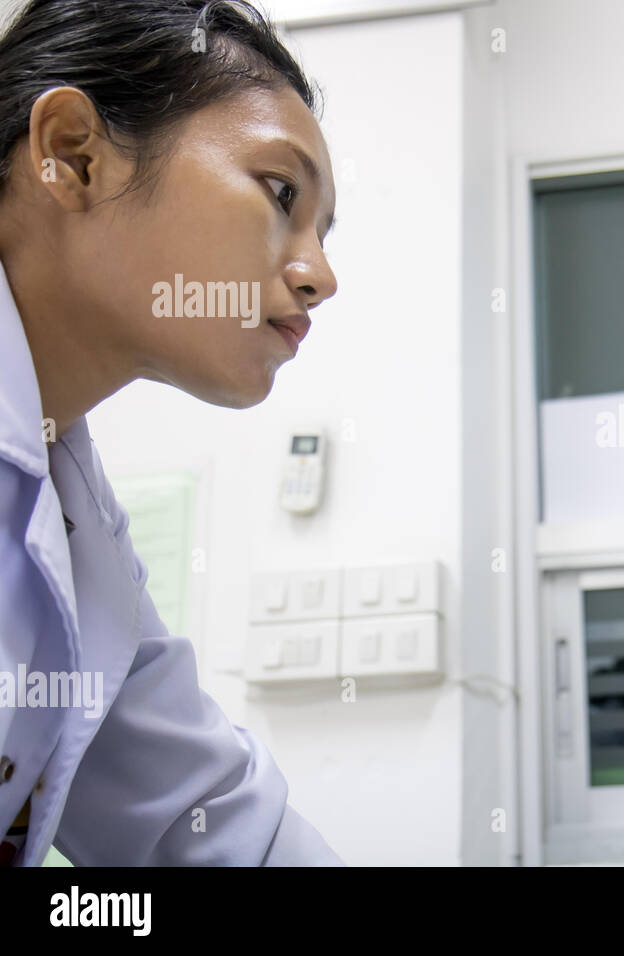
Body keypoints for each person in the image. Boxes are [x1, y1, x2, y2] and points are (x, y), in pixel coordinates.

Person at [0, 0, 342, 865]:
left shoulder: (76, 531)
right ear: (72, 155)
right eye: (281, 193)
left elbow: (204, 817)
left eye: (321, 231)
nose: (320, 275)